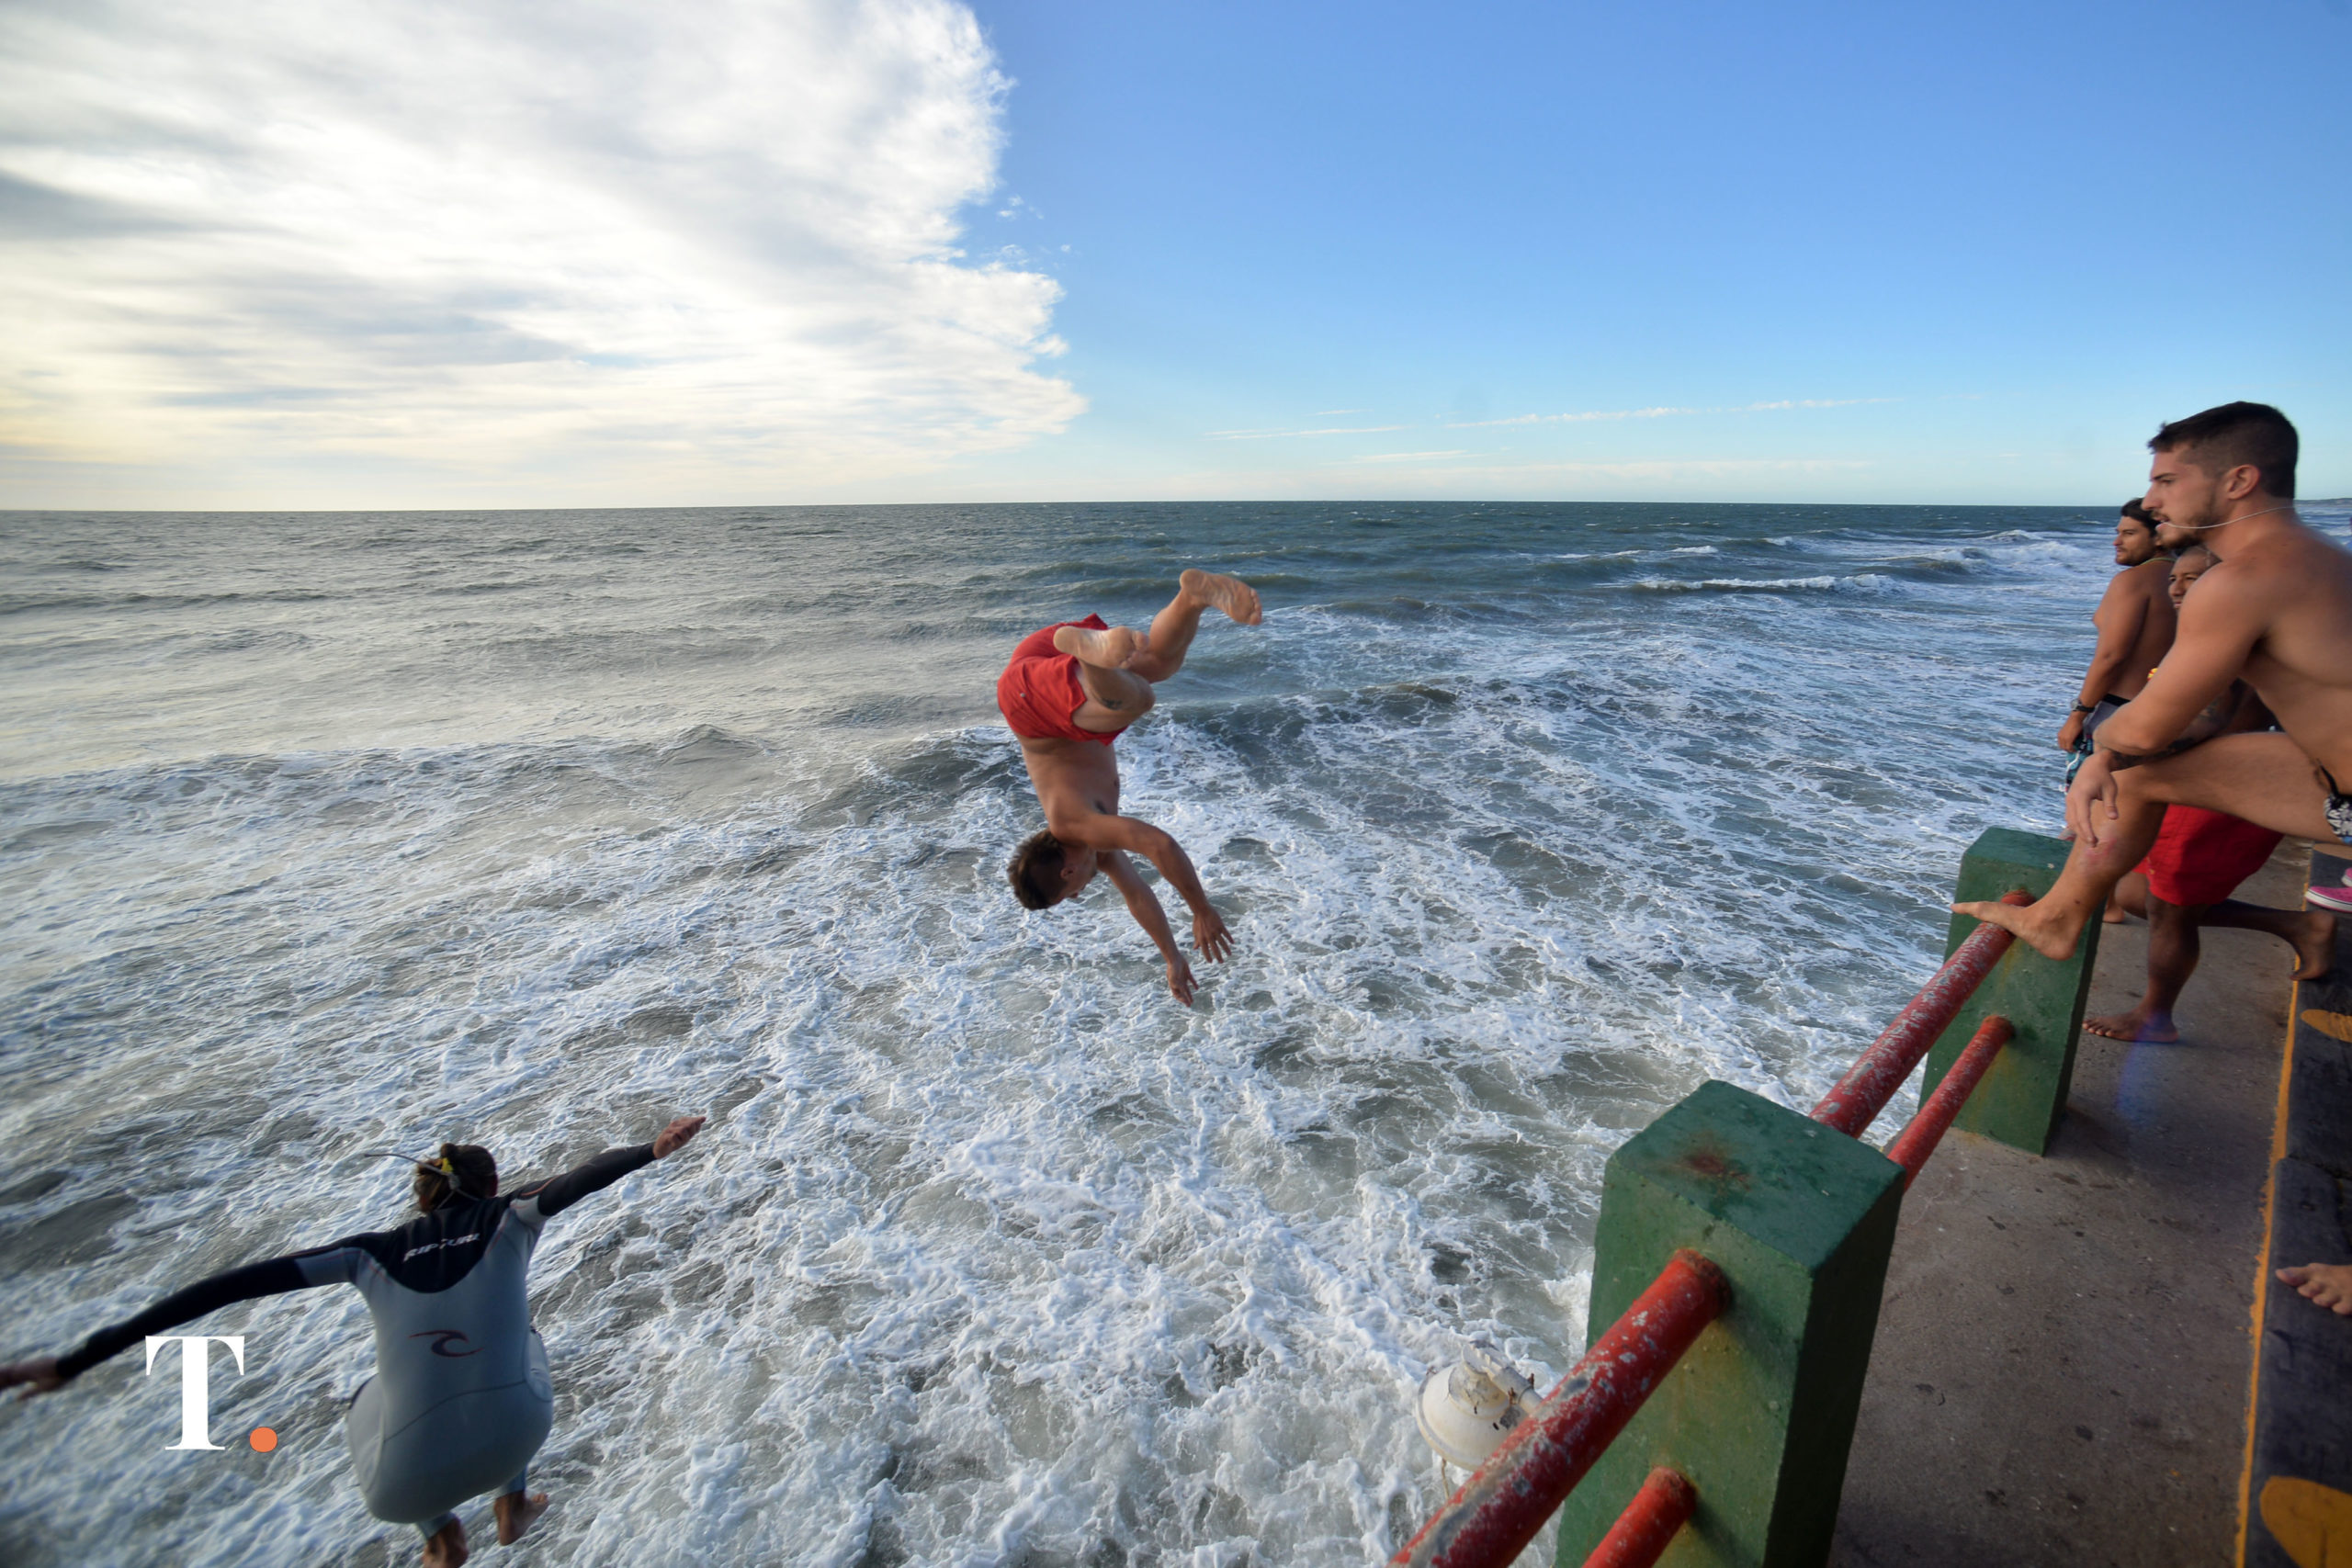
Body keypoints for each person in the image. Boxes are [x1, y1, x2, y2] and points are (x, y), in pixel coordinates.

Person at [0, 1115, 707, 1568]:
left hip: (400, 1483)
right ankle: (512, 1502)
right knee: (523, 1337)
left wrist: (74, 1360)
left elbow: (217, 1291)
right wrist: (652, 1147)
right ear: (490, 1184)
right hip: (518, 1431)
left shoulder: (363, 1253)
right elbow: (579, 1178)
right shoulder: (511, 1215)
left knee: (369, 1392)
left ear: (424, 1196)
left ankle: (438, 1538)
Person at [1957, 403, 2352, 959]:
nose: (2150, 502)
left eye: (2167, 481)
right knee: (2141, 783)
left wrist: (2100, 753)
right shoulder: (2320, 557)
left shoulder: (2245, 578)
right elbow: (2204, 712)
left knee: (2132, 774)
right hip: (2331, 779)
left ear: (2239, 481)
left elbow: (2146, 729)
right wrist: (2111, 753)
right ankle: (2054, 920)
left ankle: (2055, 920)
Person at [2083, 546, 2335, 1042]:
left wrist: (2113, 752)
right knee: (2141, 895)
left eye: (2195, 578)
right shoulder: (2213, 637)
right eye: (2176, 579)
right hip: (2192, 788)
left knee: (2169, 909)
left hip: (2214, 795)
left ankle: (2155, 1017)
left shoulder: (2230, 640)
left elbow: (2206, 721)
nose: (2178, 588)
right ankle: (2298, 928)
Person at [999, 570, 1262, 1006]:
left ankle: (1094, 659)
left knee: (1138, 700)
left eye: (1073, 893)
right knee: (1160, 665)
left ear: (1067, 873)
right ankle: (1192, 597)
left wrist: (1202, 910)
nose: (1082, 891)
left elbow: (1159, 845)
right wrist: (1172, 957)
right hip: (1038, 666)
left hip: (1027, 703)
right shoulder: (1093, 847)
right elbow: (1137, 894)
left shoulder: (1075, 825)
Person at [2057, 499, 2178, 782]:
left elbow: (2112, 656)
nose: (2116, 542)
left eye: (2129, 533)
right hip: (2167, 712)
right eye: (2117, 532)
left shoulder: (2132, 581)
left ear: (2160, 537)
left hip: (2117, 711)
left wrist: (2078, 714)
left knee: (2090, 807)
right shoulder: (2191, 578)